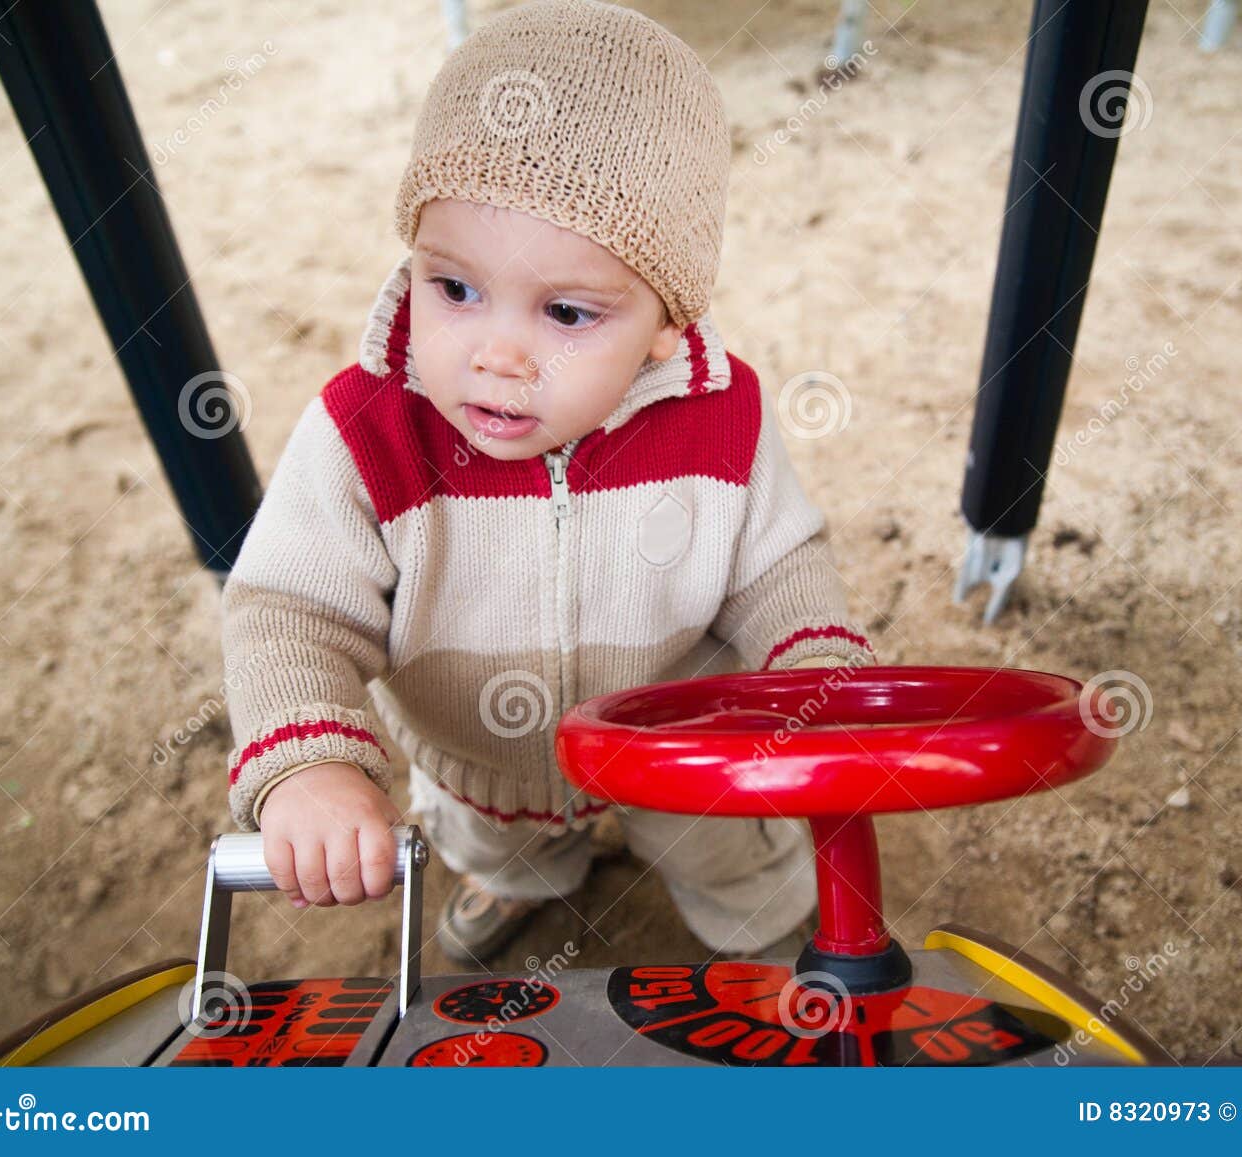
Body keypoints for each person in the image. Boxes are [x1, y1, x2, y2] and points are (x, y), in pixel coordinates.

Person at [221, 0, 876, 965]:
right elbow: (288, 609)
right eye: (455, 289)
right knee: (499, 839)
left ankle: (768, 932)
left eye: (566, 313)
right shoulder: (369, 432)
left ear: (667, 323)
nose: (497, 355)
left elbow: (775, 564)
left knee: (734, 856)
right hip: (478, 756)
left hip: (681, 739)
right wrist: (307, 761)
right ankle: (518, 876)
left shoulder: (719, 414)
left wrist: (814, 666)